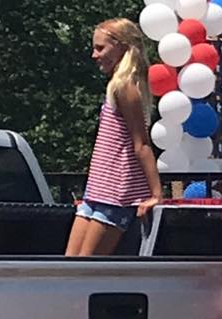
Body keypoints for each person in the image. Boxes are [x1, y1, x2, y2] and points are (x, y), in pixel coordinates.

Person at [66, 19, 163, 257]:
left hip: (116, 195)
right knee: (68, 267)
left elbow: (141, 144)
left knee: (84, 271)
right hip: (96, 190)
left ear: (122, 47)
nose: (94, 55)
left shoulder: (125, 87)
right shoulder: (115, 85)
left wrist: (156, 194)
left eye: (100, 48)